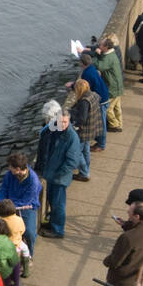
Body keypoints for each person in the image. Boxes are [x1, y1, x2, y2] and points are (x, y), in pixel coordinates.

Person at [35, 101, 83, 239]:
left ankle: (58, 230)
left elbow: (73, 161)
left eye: (65, 122)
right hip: (52, 175)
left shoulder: (71, 137)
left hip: (59, 178)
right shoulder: (55, 130)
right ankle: (52, 223)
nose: (62, 124)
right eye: (60, 121)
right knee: (53, 202)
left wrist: (58, 173)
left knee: (58, 204)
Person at [0, 152, 42, 255]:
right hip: (8, 204)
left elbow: (25, 201)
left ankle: (29, 255)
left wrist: (5, 206)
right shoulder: (10, 175)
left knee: (30, 233)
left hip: (27, 207)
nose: (9, 169)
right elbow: (3, 189)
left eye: (11, 167)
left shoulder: (33, 181)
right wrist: (0, 203)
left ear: (18, 169)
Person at [66, 79, 100, 181]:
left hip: (83, 130)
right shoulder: (92, 95)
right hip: (92, 128)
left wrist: (71, 115)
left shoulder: (84, 101)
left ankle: (84, 173)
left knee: (77, 151)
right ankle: (85, 169)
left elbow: (82, 118)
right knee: (86, 150)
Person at [76, 53, 109, 151]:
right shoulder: (92, 68)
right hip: (104, 95)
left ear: (82, 63)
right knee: (100, 121)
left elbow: (84, 86)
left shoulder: (87, 73)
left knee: (102, 123)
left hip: (101, 100)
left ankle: (101, 144)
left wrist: (74, 85)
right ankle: (99, 141)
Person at [95, 36, 124, 133]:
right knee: (117, 107)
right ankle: (120, 124)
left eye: (101, 45)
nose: (99, 45)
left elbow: (100, 66)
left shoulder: (109, 58)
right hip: (118, 86)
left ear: (106, 47)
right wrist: (100, 55)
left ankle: (114, 125)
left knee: (108, 108)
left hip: (113, 88)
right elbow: (104, 60)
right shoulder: (112, 54)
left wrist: (95, 56)